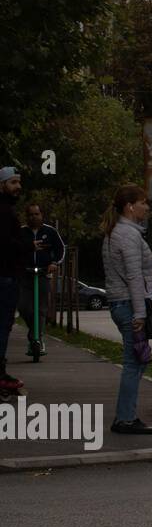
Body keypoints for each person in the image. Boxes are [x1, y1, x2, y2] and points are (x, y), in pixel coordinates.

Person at [101, 184, 152, 435]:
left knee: (138, 360)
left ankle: (126, 416)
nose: (147, 207)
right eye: (143, 202)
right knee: (134, 362)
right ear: (129, 206)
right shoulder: (128, 234)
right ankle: (125, 418)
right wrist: (140, 314)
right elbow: (134, 276)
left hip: (121, 303)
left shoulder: (119, 232)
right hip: (128, 304)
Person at [18, 202, 65, 357]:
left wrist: (54, 263)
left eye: (36, 214)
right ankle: (34, 334)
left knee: (41, 309)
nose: (34, 217)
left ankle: (37, 340)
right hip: (25, 275)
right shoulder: (21, 232)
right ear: (27, 216)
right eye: (30, 214)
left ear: (41, 215)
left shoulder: (50, 231)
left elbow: (60, 249)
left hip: (43, 274)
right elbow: (14, 251)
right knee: (24, 307)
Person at [0, 167, 30, 394]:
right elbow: (6, 243)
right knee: (3, 324)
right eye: (12, 182)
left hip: (8, 274)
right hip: (6, 276)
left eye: (18, 182)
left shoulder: (7, 209)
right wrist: (27, 246)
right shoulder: (3, 210)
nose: (17, 187)